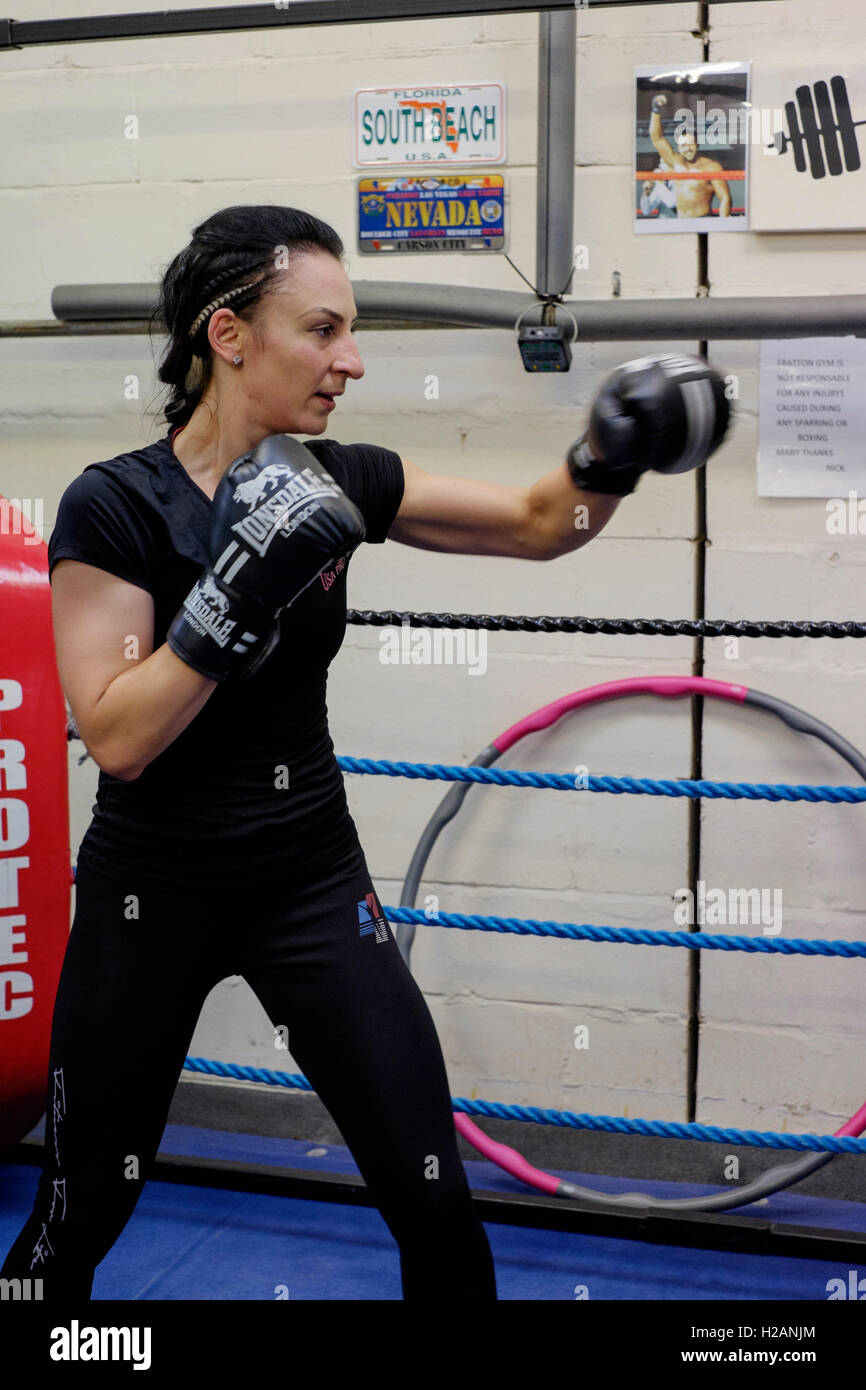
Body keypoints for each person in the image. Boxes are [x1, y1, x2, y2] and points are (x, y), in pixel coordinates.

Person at [0, 204, 729, 1302]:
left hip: (308, 882)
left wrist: (603, 457)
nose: (351, 359)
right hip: (151, 892)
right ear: (229, 335)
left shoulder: (344, 477)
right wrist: (232, 596)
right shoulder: (116, 504)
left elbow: (540, 525)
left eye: (351, 331)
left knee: (431, 1196)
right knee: (81, 1210)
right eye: (323, 329)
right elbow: (119, 735)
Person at [648, 95, 732, 220]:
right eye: (683, 145)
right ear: (678, 148)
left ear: (697, 144)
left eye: (691, 144)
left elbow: (725, 197)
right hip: (681, 222)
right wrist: (655, 109)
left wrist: (722, 225)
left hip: (703, 220)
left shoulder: (711, 167)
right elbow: (657, 138)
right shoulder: (675, 162)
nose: (687, 148)